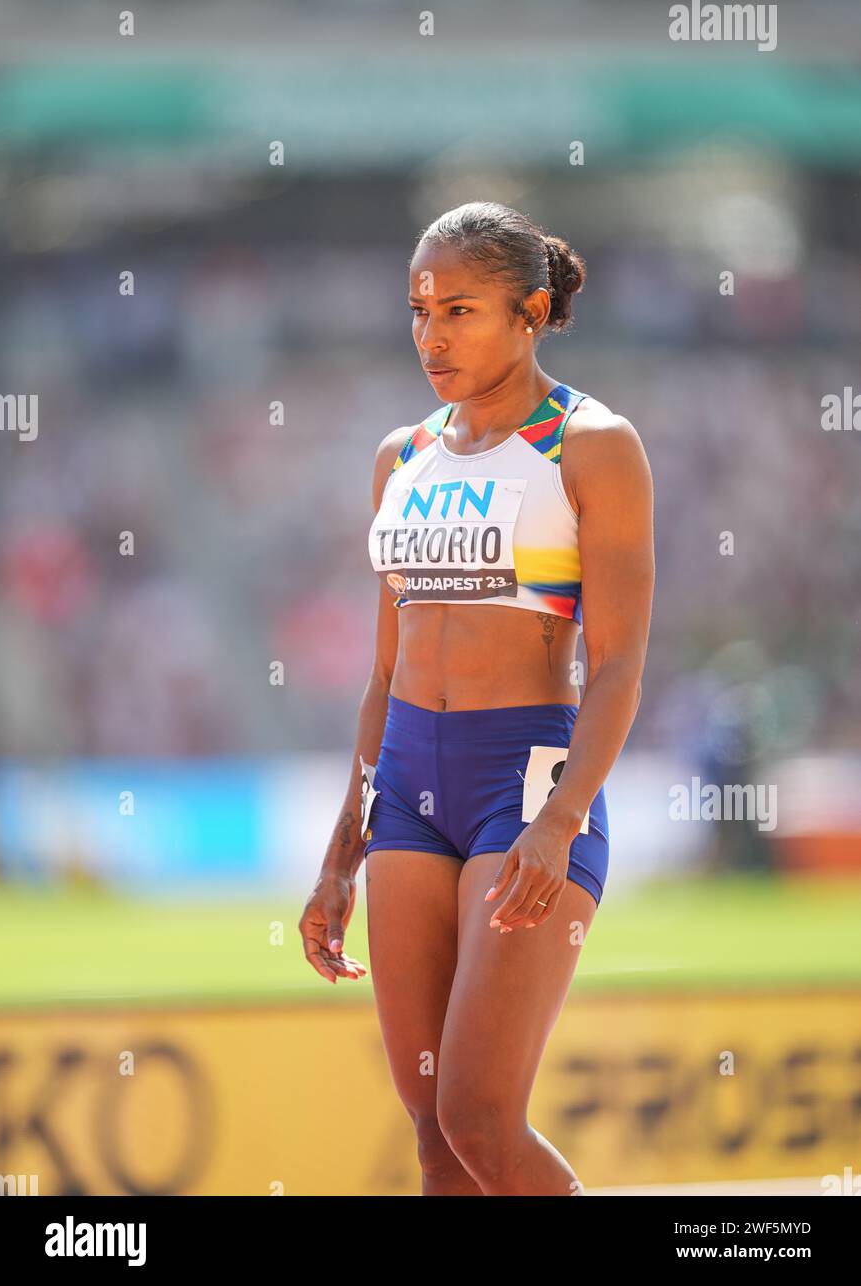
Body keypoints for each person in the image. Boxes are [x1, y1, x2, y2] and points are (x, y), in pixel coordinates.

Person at [299, 201, 654, 1196]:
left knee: (480, 1118)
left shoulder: (590, 445)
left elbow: (620, 661)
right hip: (407, 783)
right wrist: (339, 858)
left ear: (530, 310)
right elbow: (383, 672)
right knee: (432, 1136)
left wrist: (561, 817)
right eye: (417, 311)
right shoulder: (399, 457)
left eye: (458, 309)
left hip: (523, 784)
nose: (430, 335)